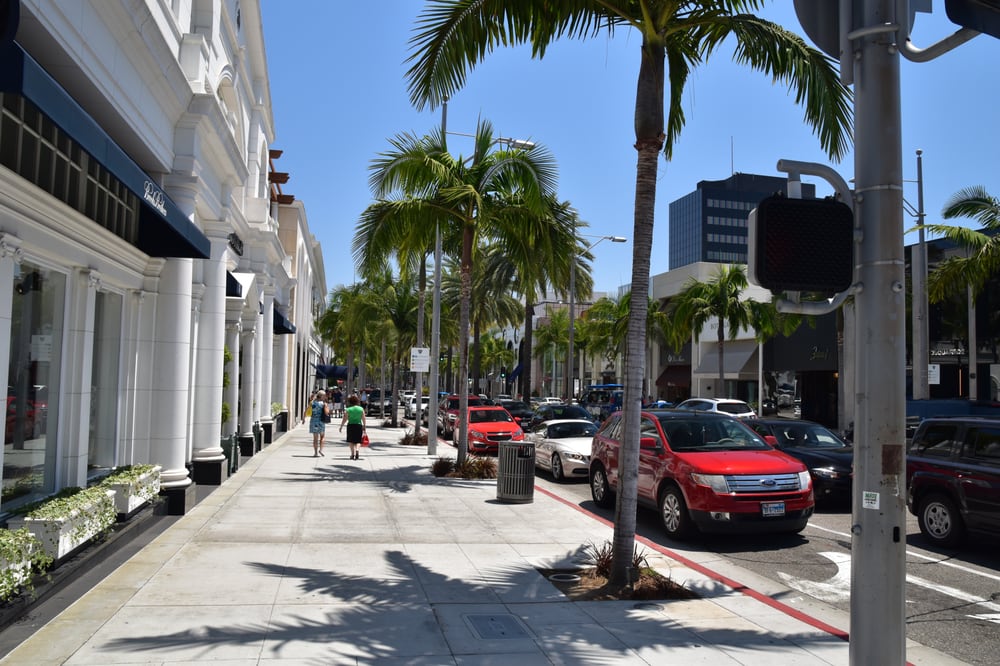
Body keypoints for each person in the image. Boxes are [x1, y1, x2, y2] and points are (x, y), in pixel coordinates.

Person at [340, 393, 367, 460]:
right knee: (358, 440)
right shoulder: (361, 409)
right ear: (357, 401)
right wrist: (364, 426)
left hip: (350, 426)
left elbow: (345, 419)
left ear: (350, 402)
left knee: (351, 441)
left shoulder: (348, 409)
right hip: (358, 425)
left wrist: (341, 426)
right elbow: (363, 418)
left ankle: (352, 454)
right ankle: (357, 450)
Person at [306, 390, 328, 457]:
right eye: (324, 396)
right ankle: (321, 450)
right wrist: (326, 407)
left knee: (315, 438)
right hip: (321, 421)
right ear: (322, 396)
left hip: (313, 421)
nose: (325, 397)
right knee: (322, 436)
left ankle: (315, 453)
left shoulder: (312, 403)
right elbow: (327, 413)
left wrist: (304, 419)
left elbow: (307, 411)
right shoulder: (323, 404)